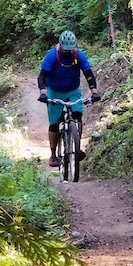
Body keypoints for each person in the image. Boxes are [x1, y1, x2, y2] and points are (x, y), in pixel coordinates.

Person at [37, 30, 101, 167]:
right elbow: (42, 76)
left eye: (70, 50)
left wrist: (94, 91)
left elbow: (88, 74)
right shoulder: (53, 55)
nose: (68, 52)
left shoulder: (78, 55)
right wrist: (43, 93)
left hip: (73, 90)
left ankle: (76, 147)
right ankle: (53, 155)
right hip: (54, 91)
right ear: (61, 46)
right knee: (54, 123)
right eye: (66, 50)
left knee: (77, 115)